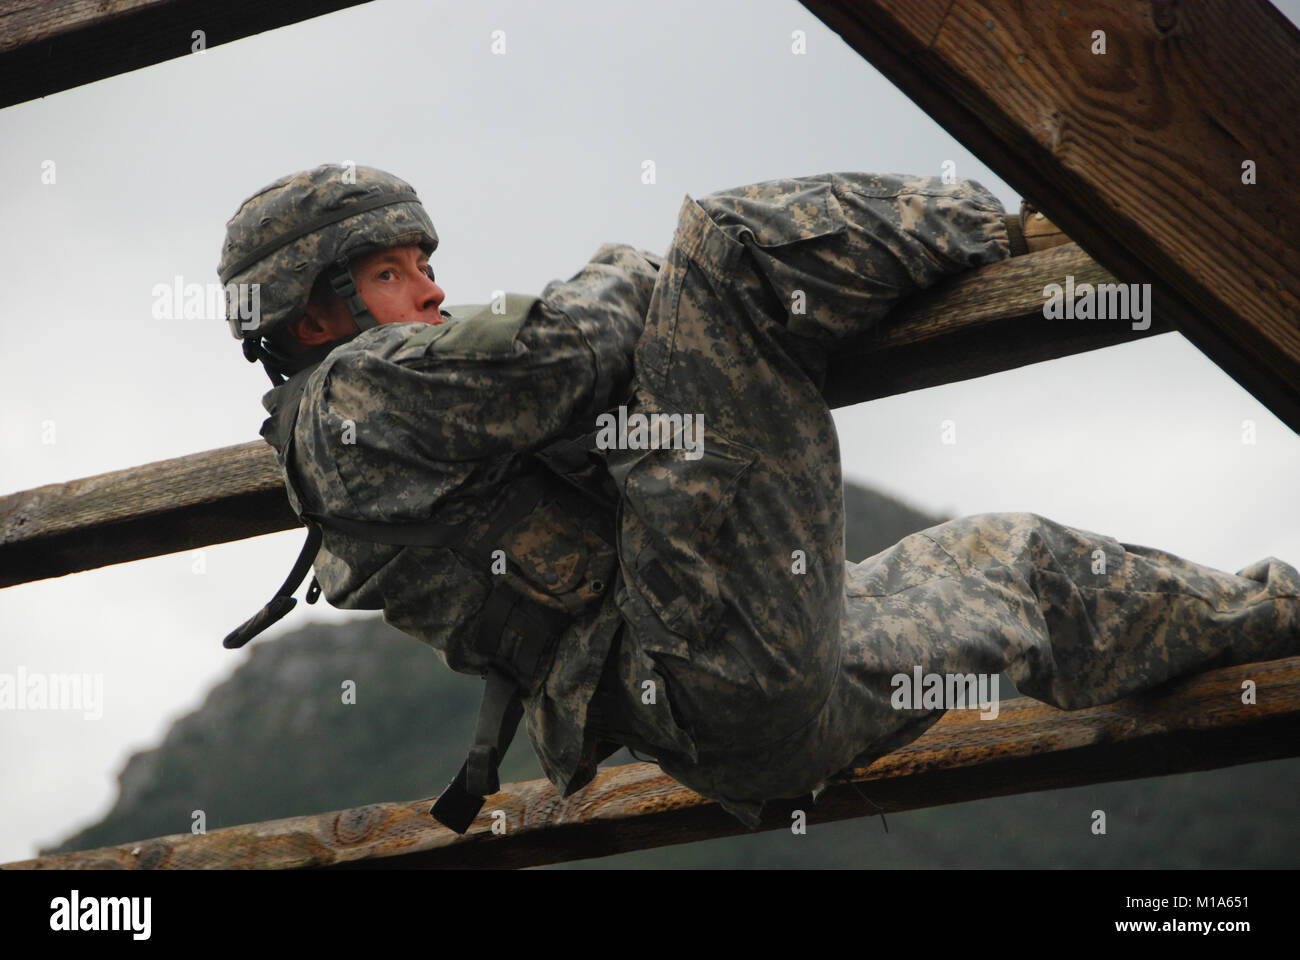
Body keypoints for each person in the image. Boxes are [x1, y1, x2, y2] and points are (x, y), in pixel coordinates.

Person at [220, 164, 1300, 832]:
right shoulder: (356, 394)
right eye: (394, 272)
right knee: (721, 251)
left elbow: (555, 384)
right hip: (709, 660)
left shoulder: (378, 425)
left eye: (424, 265)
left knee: (1019, 566)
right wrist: (635, 278)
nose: (433, 288)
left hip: (758, 718)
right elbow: (576, 339)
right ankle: (1020, 227)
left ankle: (1278, 616)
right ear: (314, 316)